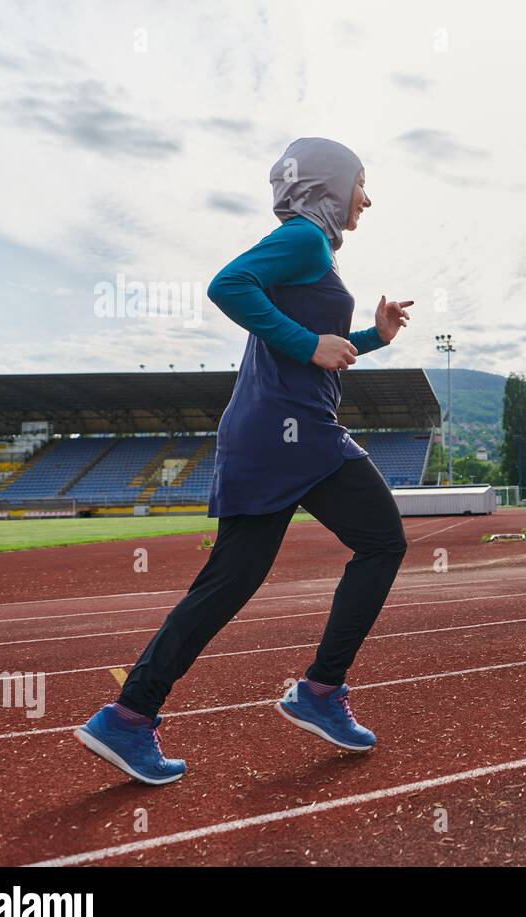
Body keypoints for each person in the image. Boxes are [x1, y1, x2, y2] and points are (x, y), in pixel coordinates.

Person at [76, 138, 413, 785]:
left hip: (271, 437)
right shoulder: (304, 241)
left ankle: (129, 716)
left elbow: (312, 350)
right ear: (329, 184)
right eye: (360, 184)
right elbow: (228, 286)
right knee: (382, 541)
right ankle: (319, 691)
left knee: (229, 581)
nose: (367, 198)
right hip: (295, 437)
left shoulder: (308, 248)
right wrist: (309, 342)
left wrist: (373, 337)